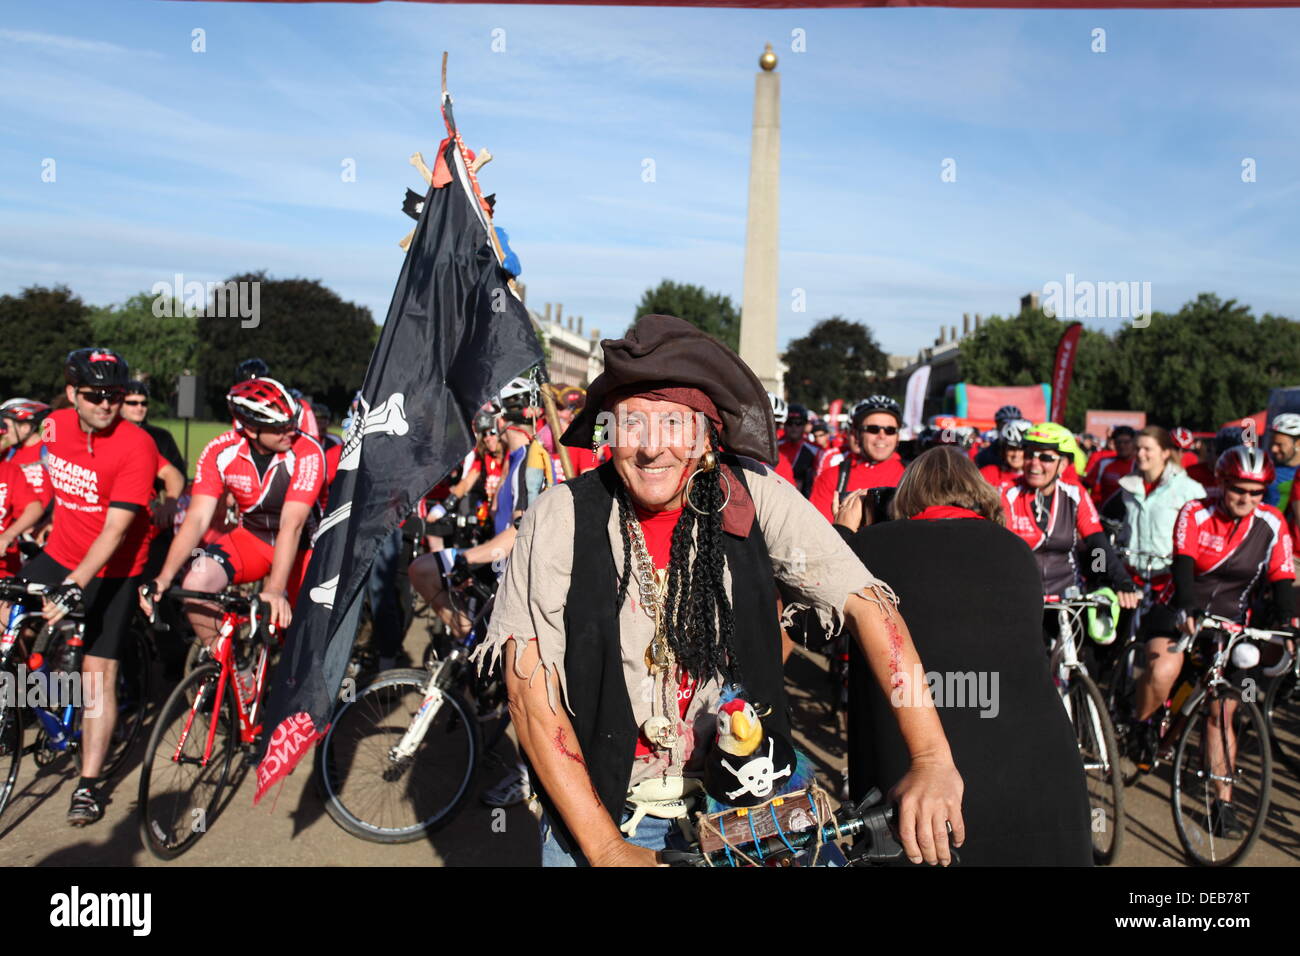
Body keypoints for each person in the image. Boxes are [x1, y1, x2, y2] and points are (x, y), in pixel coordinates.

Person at [474, 314, 964, 867]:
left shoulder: (752, 496)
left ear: (707, 435)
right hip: (603, 812)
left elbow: (869, 608)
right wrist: (607, 848)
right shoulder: (560, 517)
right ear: (608, 433)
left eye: (674, 423)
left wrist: (930, 758)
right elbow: (528, 692)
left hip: (748, 804)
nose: (652, 449)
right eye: (632, 424)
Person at [837, 446, 1093, 865]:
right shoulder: (1018, 552)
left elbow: (805, 621)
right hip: (1041, 771)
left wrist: (845, 531)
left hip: (929, 790)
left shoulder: (872, 548)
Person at [21, 349, 158, 825]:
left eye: (115, 396)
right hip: (60, 550)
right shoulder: (54, 425)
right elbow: (41, 470)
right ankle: (24, 701)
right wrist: (36, 516)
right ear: (72, 394)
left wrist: (75, 585)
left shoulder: (137, 446)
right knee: (7, 618)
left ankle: (88, 783)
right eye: (95, 396)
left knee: (98, 675)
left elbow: (115, 532)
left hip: (114, 567)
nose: (106, 404)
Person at [1129, 446, 1296, 835]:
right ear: (1221, 483)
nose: (1247, 499)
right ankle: (1143, 725)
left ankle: (1223, 802)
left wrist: (1289, 622)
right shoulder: (1196, 511)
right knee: (1163, 669)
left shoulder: (1271, 522)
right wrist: (1187, 609)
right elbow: (1183, 562)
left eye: (1257, 492)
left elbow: (1283, 576)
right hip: (1180, 608)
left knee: (1224, 713)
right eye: (1239, 489)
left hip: (1233, 622)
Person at [141, 377, 326, 659]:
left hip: (304, 548)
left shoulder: (307, 451)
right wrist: (165, 577)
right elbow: (197, 519)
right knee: (195, 584)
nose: (290, 431)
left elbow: (293, 524)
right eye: (279, 427)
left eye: (292, 421)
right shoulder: (220, 451)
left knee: (303, 642)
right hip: (253, 539)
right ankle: (233, 669)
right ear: (251, 429)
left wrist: (275, 590)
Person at [1001, 423, 1138, 604]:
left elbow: (1097, 543)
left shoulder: (1074, 493)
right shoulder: (1007, 493)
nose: (1034, 464)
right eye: (1029, 455)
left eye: (1045, 457)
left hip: (1066, 598)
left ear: (1063, 464)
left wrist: (1110, 579)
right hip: (1020, 597)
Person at [1103, 426, 1205, 592]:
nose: (1140, 454)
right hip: (1132, 580)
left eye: (1147, 449)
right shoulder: (1127, 487)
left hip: (1169, 581)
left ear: (1165, 453)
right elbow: (1106, 525)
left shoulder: (1189, 489)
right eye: (1137, 449)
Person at [809, 395, 906, 523]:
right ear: (857, 434)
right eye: (873, 429)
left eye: (890, 430)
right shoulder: (831, 478)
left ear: (897, 436)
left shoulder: (915, 475)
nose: (882, 436)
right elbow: (817, 533)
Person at [1, 398, 54, 513]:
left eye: (6, 426)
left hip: (45, 523)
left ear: (25, 428)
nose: (3, 432)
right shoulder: (8, 454)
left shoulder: (49, 451)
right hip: (16, 525)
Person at [1267, 413, 1300, 569]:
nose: (1274, 449)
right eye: (1273, 443)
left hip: (1291, 549)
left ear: (1298, 443)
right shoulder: (1264, 467)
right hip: (1265, 544)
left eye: (1280, 444)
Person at [772, 399, 818, 497]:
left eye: (798, 423)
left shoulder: (815, 450)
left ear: (805, 425)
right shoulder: (774, 446)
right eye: (789, 423)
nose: (793, 427)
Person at [1085, 425, 1137, 508]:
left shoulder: (1139, 466)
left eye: (1126, 442)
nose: (1122, 445)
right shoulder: (1103, 463)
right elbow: (1085, 485)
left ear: (1134, 443)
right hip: (1102, 516)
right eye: (1118, 442)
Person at [978, 418, 1031, 491]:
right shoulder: (989, 473)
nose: (1016, 454)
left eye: (1021, 449)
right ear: (1004, 450)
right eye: (1011, 448)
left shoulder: (1037, 478)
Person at [973, 405, 1025, 469]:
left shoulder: (1028, 447)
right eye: (1005, 424)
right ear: (998, 426)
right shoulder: (986, 454)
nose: (1010, 428)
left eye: (1015, 424)